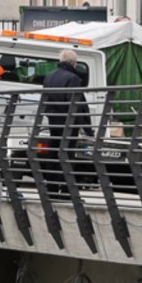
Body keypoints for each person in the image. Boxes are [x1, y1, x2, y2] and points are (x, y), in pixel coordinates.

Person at [40, 48, 88, 183]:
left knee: (53, 153)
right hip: (68, 122)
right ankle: (66, 190)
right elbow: (76, 104)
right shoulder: (73, 78)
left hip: (53, 120)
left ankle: (51, 187)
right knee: (67, 156)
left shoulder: (49, 76)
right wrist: (85, 126)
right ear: (74, 63)